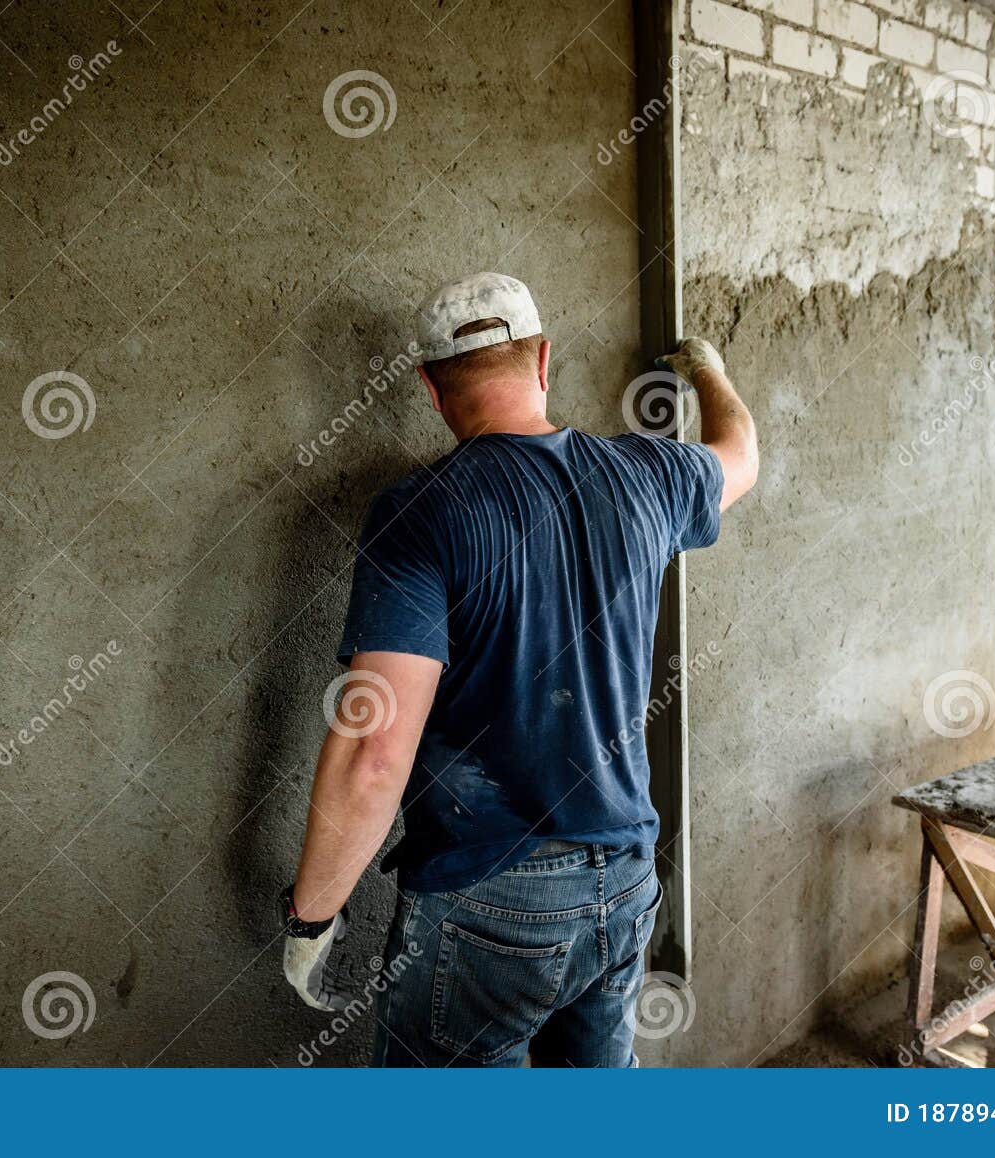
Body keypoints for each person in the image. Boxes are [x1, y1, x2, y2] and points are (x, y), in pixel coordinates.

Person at [280, 272, 757, 1066]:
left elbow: (375, 751)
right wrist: (708, 372)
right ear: (543, 362)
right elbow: (739, 456)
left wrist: (311, 919)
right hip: (627, 880)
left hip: (490, 902)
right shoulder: (647, 474)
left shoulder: (420, 512)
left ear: (433, 390)